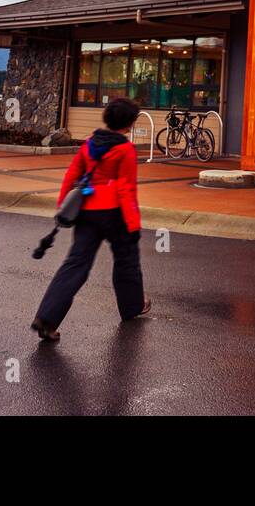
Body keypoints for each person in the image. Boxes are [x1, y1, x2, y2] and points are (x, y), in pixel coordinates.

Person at [31, 97, 151, 341]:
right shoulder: (125, 150)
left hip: (87, 212)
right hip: (115, 213)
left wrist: (63, 209)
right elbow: (126, 189)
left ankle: (46, 318)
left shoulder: (90, 144)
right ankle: (132, 307)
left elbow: (72, 175)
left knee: (76, 265)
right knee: (127, 261)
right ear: (128, 123)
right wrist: (133, 223)